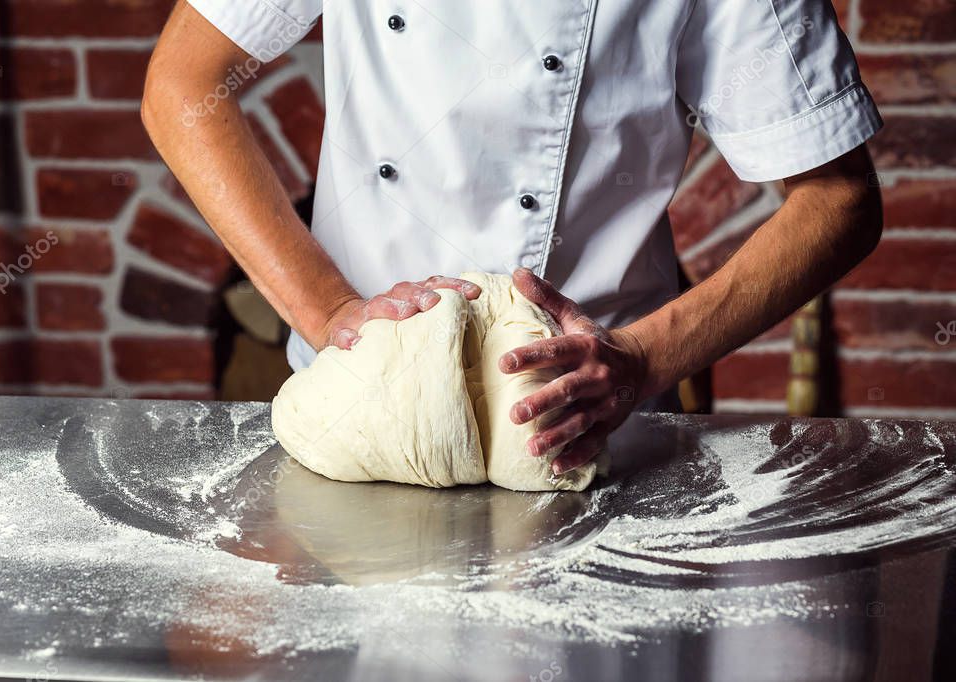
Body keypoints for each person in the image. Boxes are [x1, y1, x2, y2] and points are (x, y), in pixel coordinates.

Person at [143, 1, 883, 476]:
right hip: (357, 409)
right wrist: (326, 310)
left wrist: (641, 358)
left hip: (595, 424)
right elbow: (183, 87)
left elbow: (837, 199)